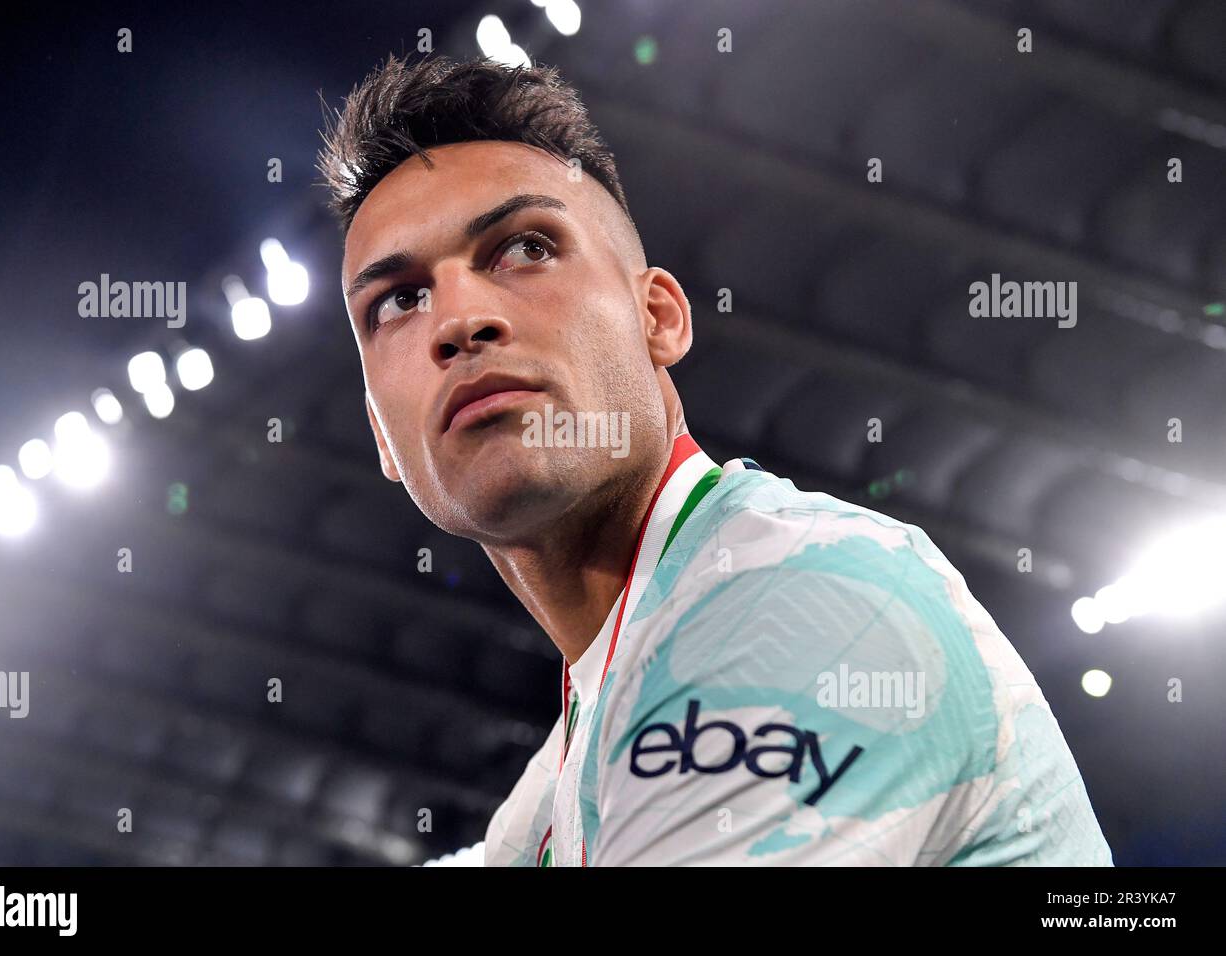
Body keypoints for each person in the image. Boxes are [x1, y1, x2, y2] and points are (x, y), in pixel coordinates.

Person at [317, 53, 1114, 866]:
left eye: (523, 248)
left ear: (657, 316)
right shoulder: (577, 754)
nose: (459, 319)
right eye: (400, 300)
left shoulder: (806, 596)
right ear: (383, 435)